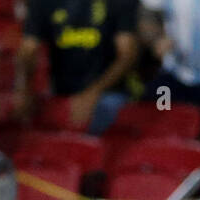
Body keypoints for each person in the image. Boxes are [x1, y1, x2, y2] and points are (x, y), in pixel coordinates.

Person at [16, 0, 140, 135]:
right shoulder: (42, 3)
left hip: (109, 93)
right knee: (31, 118)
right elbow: (28, 50)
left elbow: (128, 55)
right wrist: (24, 90)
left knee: (100, 114)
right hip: (61, 93)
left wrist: (93, 93)